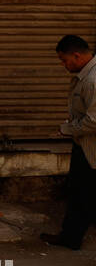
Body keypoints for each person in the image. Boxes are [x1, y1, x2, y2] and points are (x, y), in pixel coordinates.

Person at [40, 34, 96, 251]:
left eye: (65, 60)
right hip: (84, 144)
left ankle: (71, 237)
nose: (64, 66)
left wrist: (66, 129)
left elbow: (94, 120)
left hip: (91, 146)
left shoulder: (92, 80)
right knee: (79, 192)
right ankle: (70, 236)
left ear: (76, 55)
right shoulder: (87, 75)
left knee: (83, 193)